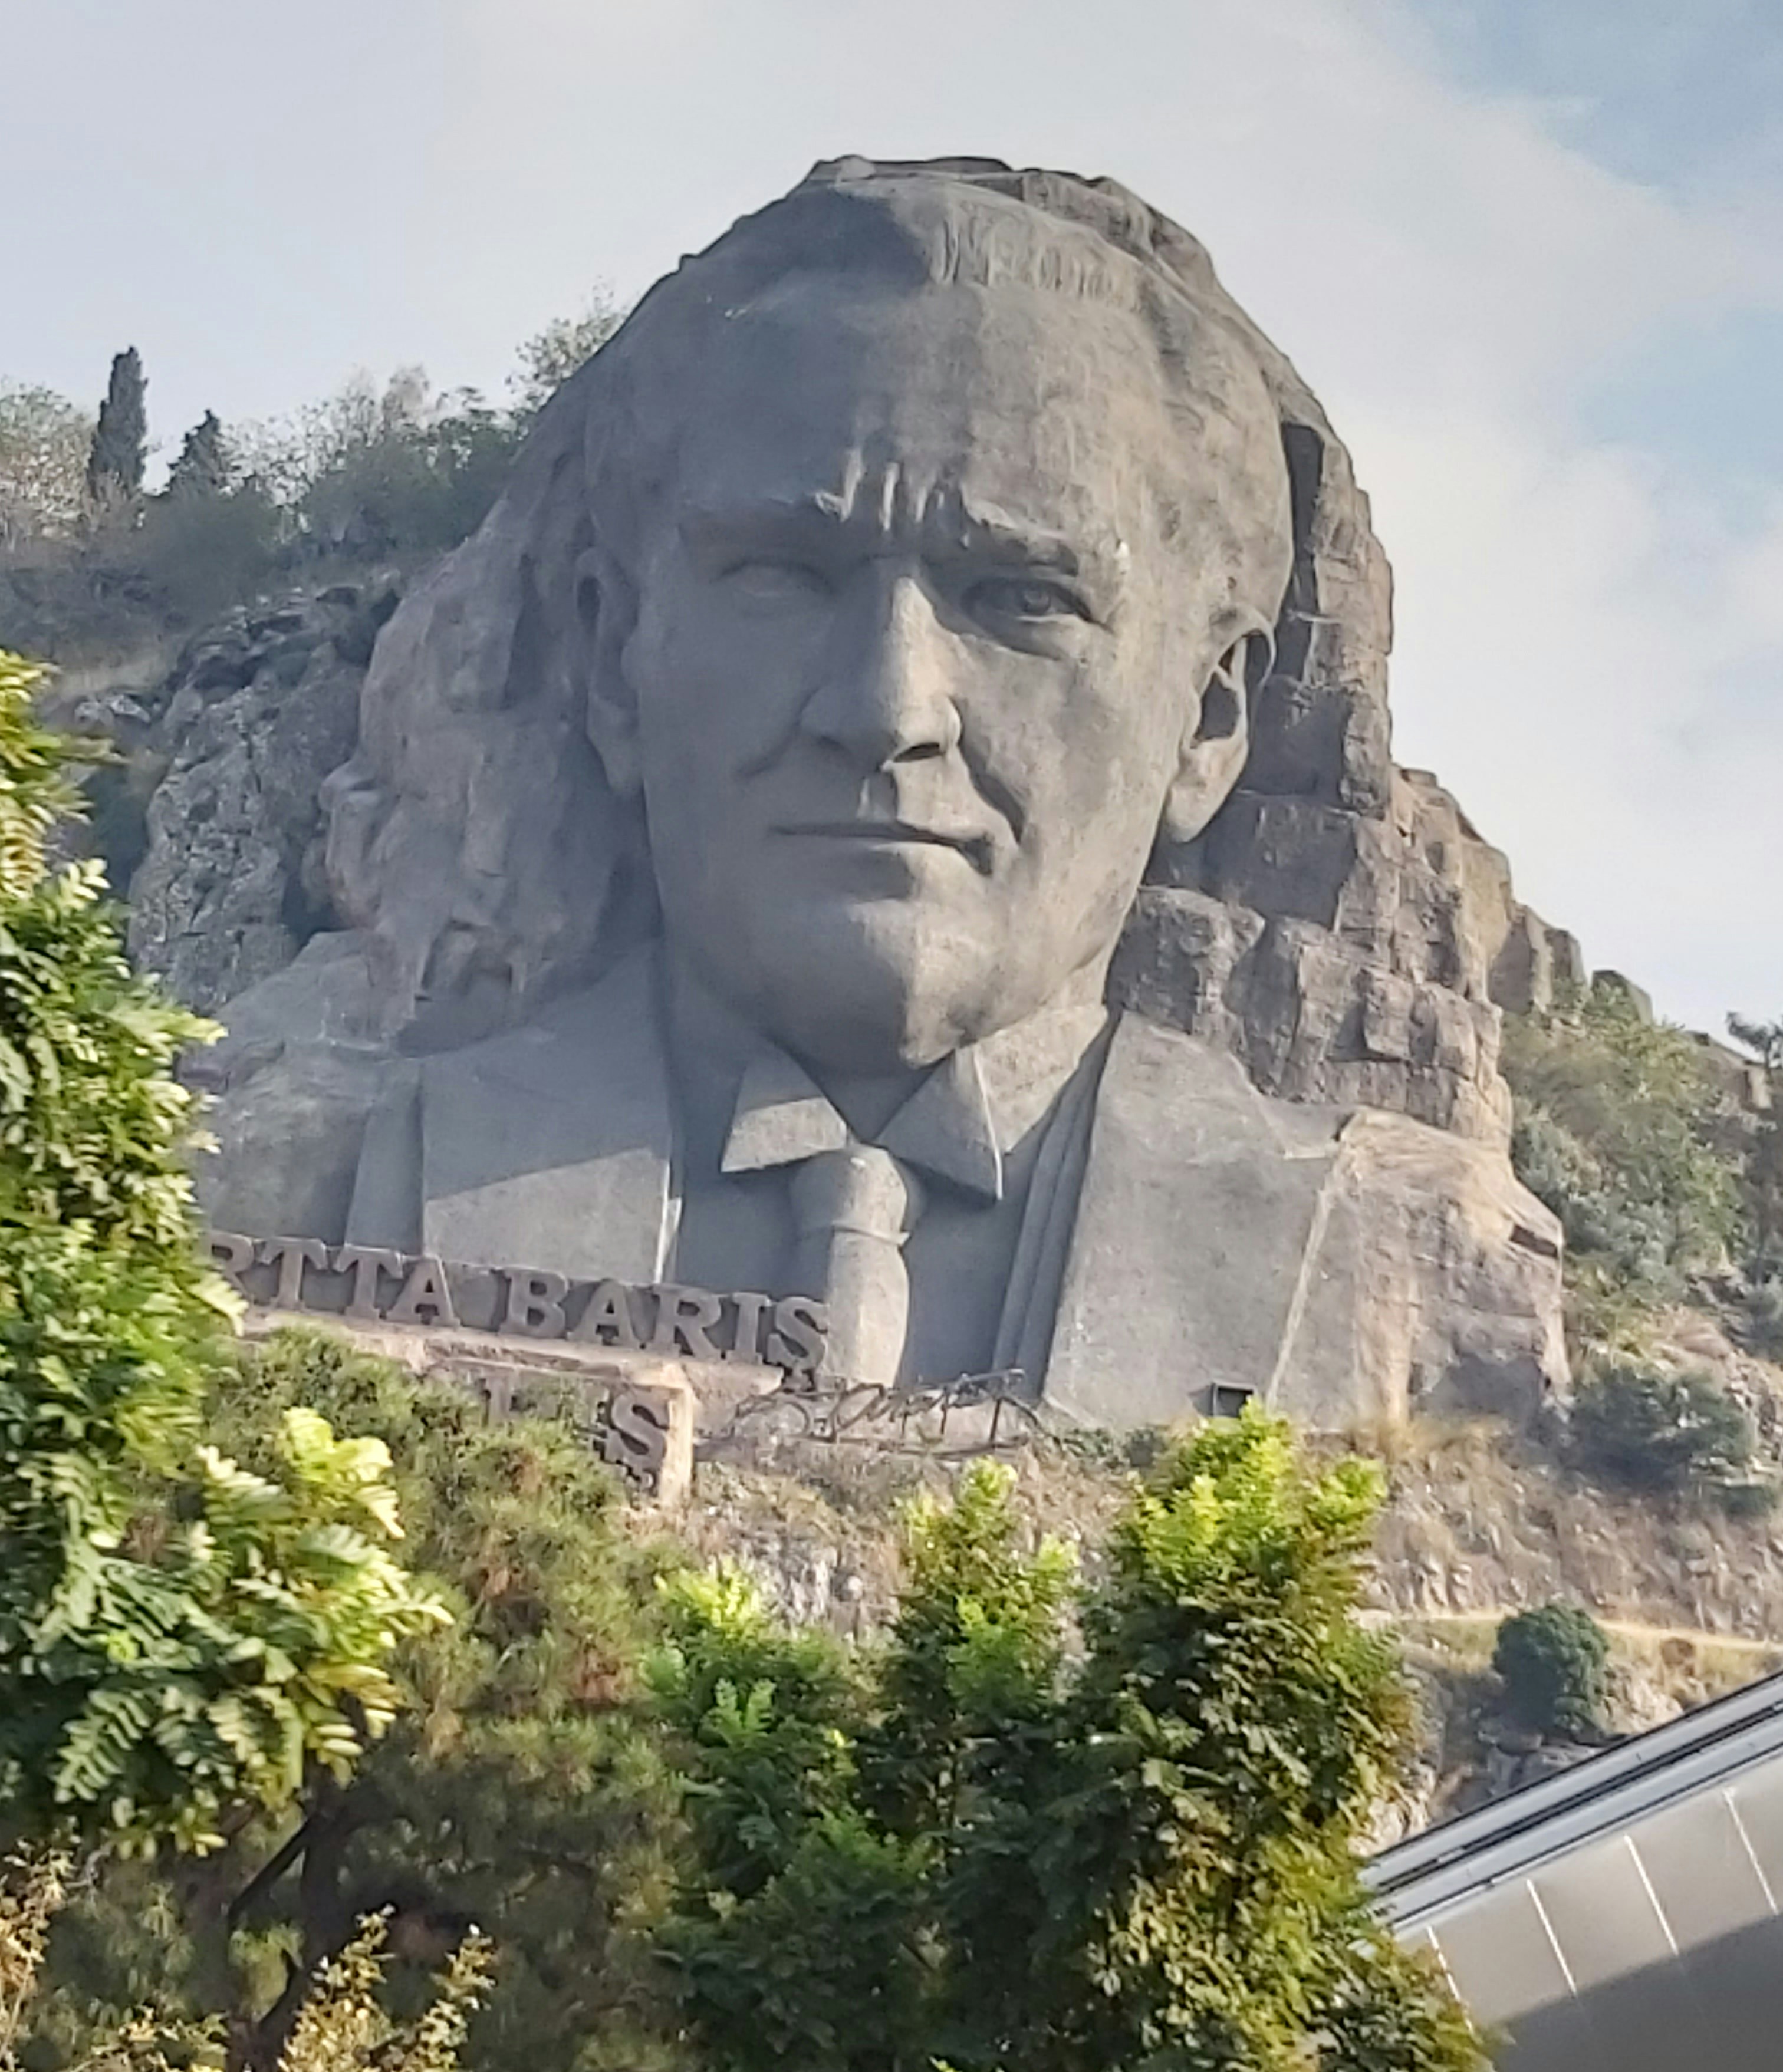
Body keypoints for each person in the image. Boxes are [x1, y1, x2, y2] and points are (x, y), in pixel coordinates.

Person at [202, 159, 1566, 1427]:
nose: (884, 710)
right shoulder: (329, 1157)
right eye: (783, 575)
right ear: (614, 651)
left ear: (1208, 718)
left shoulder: (1380, 1247)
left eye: (1021, 598)